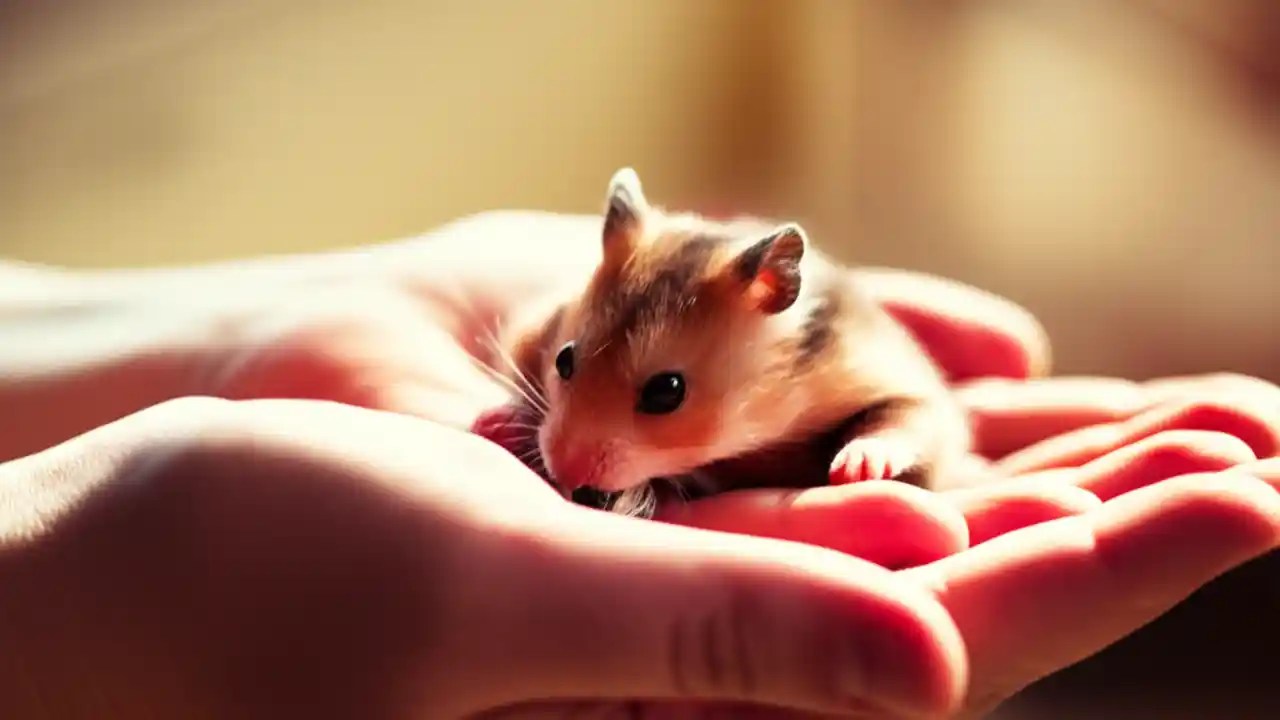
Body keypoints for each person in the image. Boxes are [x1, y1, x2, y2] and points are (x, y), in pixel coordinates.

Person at [0, 210, 1276, 719]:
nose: (575, 449)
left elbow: (925, 411)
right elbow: (536, 343)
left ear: (771, 302)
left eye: (659, 399)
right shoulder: (582, 315)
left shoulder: (820, 341)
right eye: (568, 382)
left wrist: (891, 447)